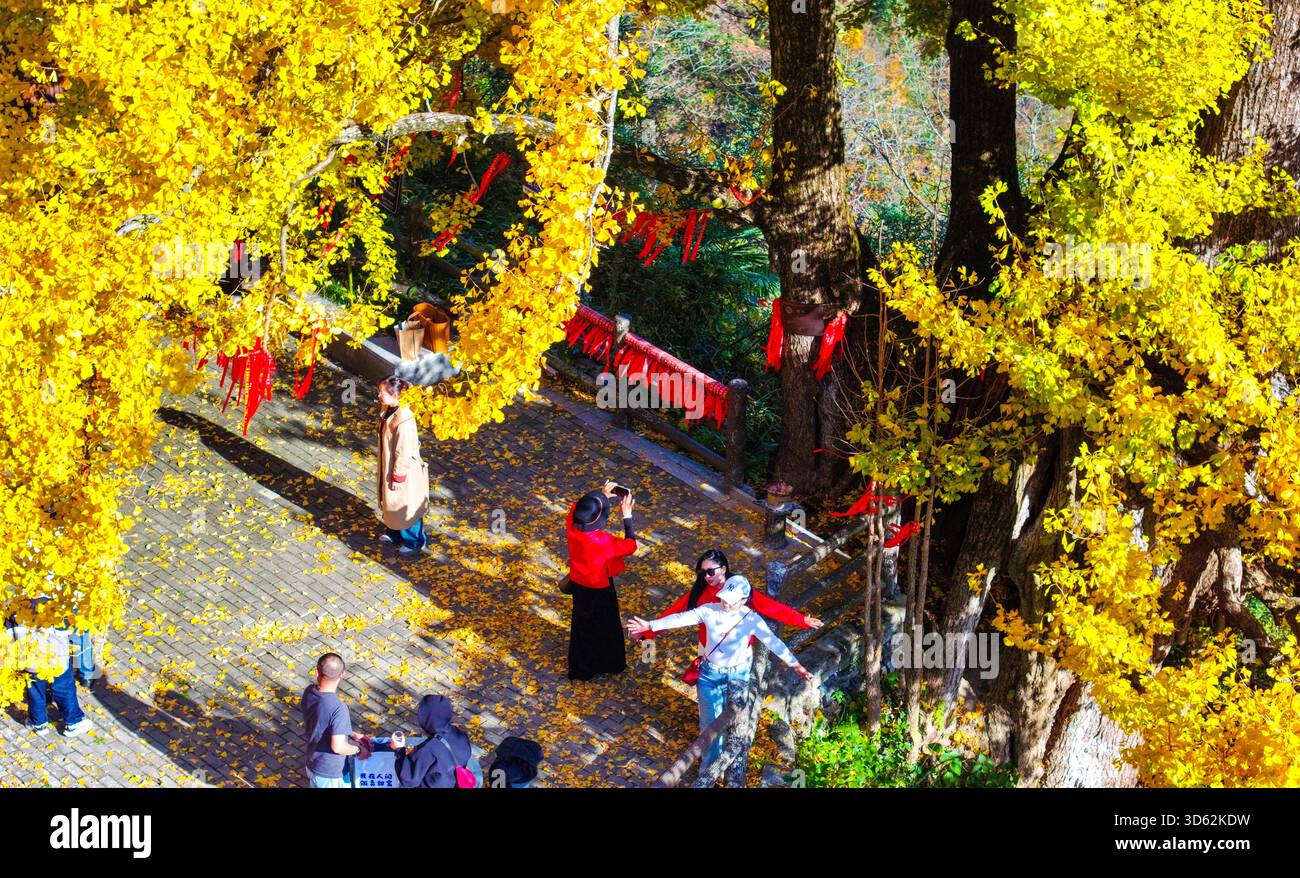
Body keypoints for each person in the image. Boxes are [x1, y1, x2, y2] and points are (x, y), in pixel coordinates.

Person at [627, 575, 814, 772]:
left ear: (743, 600)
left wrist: (795, 665)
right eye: (724, 597)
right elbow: (680, 618)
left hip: (738, 676)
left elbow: (772, 641)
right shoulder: (709, 610)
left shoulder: (751, 619)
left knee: (734, 719)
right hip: (710, 675)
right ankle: (709, 771)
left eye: (731, 601)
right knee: (709, 724)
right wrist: (650, 626)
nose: (724, 603)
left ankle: (730, 761)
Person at [635, 549, 824, 655]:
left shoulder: (740, 588)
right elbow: (674, 614)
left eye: (711, 571)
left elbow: (771, 607)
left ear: (724, 569)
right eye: (702, 573)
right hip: (708, 647)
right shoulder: (699, 591)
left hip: (738, 650)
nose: (707, 576)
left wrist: (801, 620)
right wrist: (647, 632)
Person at [565, 482, 637, 681]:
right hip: (600, 588)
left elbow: (575, 508)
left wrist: (602, 496)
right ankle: (610, 663)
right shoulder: (603, 542)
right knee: (607, 626)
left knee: (581, 626)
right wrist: (627, 515)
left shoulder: (572, 526)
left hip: (579, 584)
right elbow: (631, 545)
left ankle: (581, 669)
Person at [5, 603, 93, 737]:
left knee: (35, 691)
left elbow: (8, 635)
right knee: (64, 688)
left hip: (30, 660)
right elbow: (69, 631)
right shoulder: (56, 603)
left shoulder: (16, 606)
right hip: (57, 658)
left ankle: (37, 723)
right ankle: (73, 722)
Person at [376, 375, 430, 555]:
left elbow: (403, 451)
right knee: (393, 502)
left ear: (396, 396)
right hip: (390, 463)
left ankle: (415, 541)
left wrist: (398, 476)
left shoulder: (404, 420)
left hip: (404, 469)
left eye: (382, 392)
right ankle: (395, 531)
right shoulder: (390, 408)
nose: (379, 396)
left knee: (407, 504)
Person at [300, 653, 370, 788]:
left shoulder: (309, 691)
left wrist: (349, 733)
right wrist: (359, 750)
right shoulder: (339, 709)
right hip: (328, 772)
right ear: (342, 674)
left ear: (316, 672)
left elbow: (321, 722)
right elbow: (338, 747)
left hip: (312, 760)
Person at [389, 694, 481, 788]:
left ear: (426, 719)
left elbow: (409, 780)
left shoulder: (427, 749)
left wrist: (399, 749)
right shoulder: (461, 735)